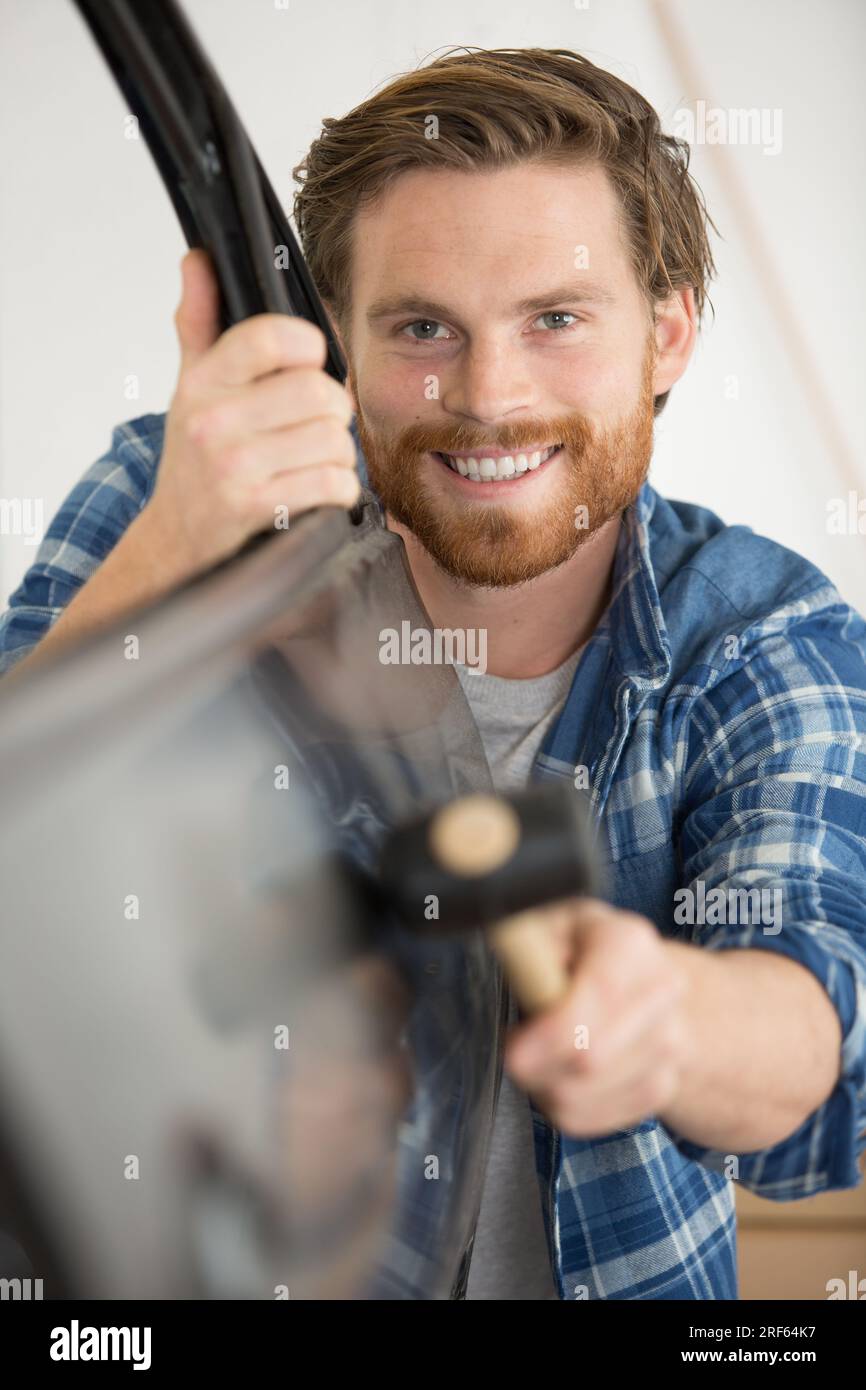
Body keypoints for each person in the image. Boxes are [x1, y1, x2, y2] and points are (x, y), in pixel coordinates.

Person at [1, 48, 864, 1301]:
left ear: (667, 334)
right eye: (419, 328)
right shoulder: (177, 493)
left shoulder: (760, 630)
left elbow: (819, 1021)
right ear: (335, 345)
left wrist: (664, 1017)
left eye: (555, 319)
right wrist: (174, 553)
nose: (486, 397)